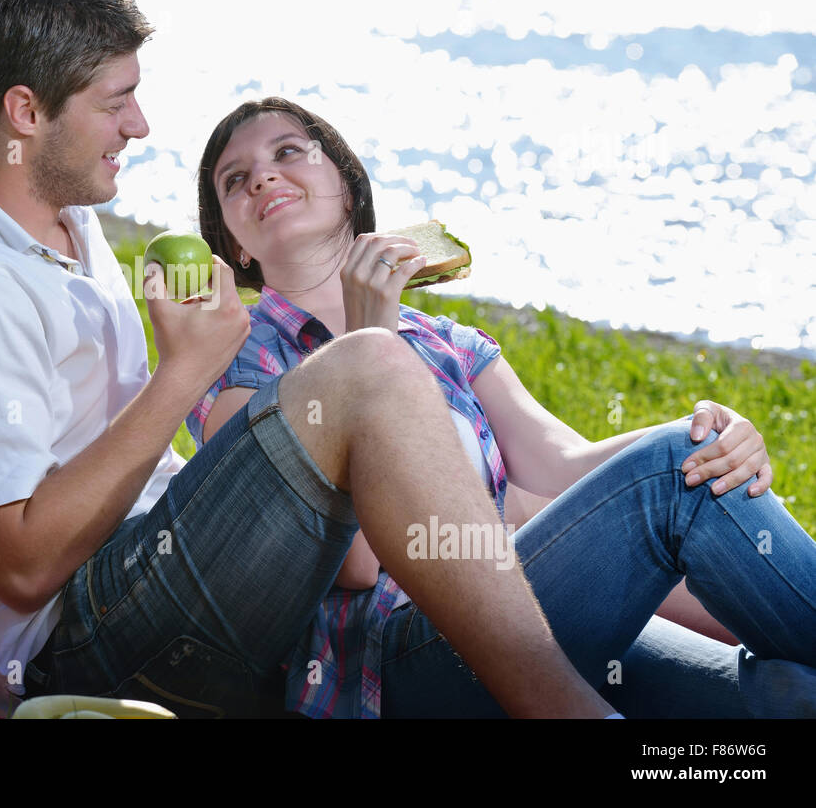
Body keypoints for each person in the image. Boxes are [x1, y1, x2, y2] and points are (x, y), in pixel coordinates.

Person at [0, 0, 635, 719]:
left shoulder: (65, 222)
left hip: (147, 572)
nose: (140, 125)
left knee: (665, 509)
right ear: (25, 112)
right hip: (70, 644)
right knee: (368, 367)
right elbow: (20, 570)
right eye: (113, 101)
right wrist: (184, 375)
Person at [188, 95, 816, 717]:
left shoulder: (449, 344)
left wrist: (713, 430)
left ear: (348, 193)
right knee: (674, 470)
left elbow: (570, 464)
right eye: (235, 180)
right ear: (237, 247)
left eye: (288, 151)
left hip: (529, 603)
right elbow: (355, 566)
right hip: (401, 658)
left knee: (787, 696)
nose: (264, 175)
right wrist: (366, 346)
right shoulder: (238, 368)